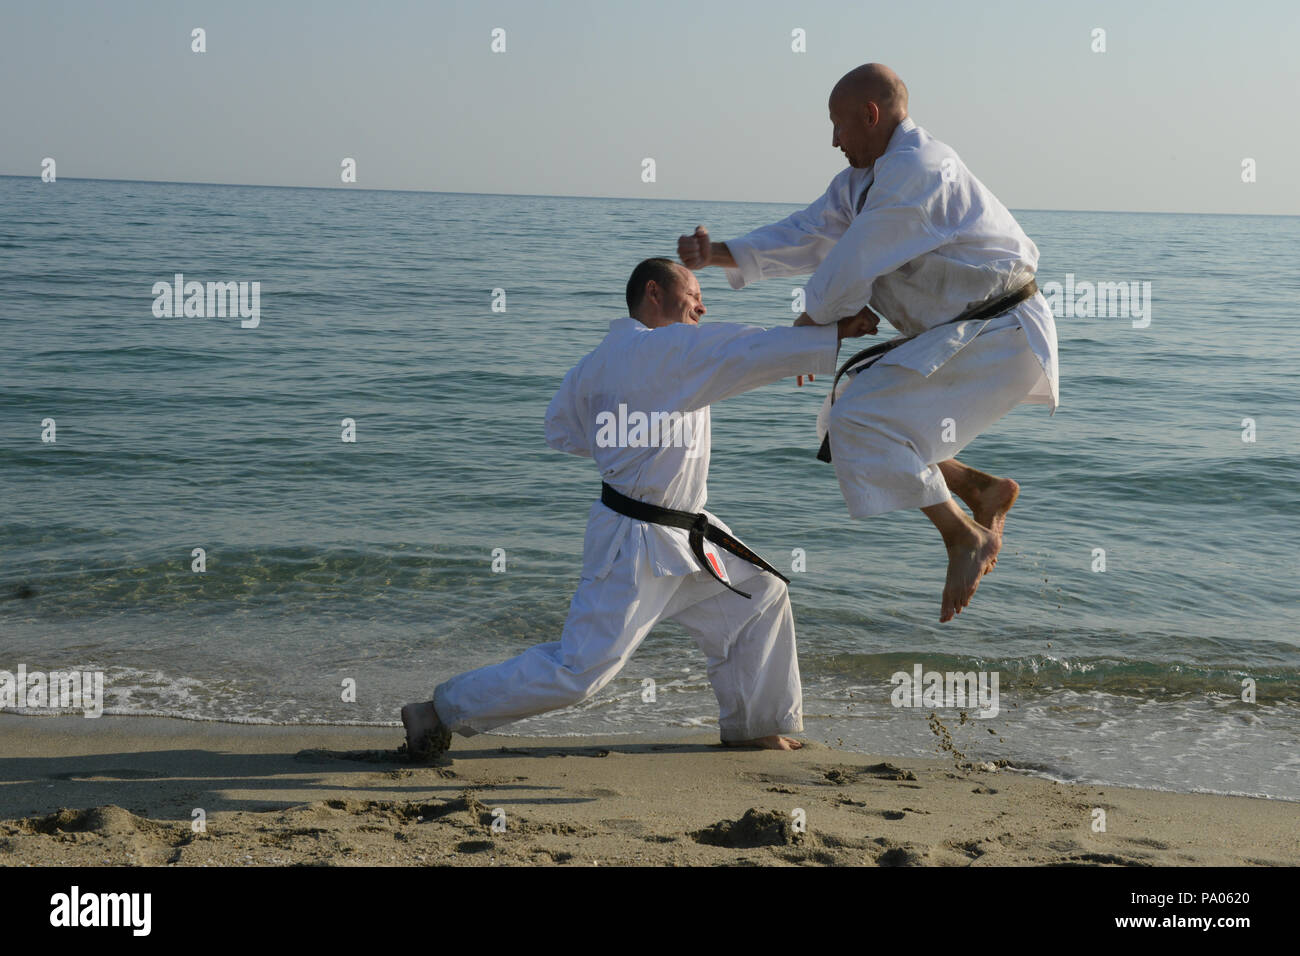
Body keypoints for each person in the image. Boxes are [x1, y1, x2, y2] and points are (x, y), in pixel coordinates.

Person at [401, 258, 877, 760]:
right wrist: (833, 333)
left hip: (682, 530)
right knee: (579, 672)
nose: (703, 305)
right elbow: (744, 348)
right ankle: (438, 710)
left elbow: (561, 430)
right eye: (693, 294)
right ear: (655, 293)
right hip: (635, 539)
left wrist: (625, 448)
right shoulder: (664, 349)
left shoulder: (601, 361)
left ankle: (752, 725)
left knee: (759, 593)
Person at [677, 63, 1060, 623]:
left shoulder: (921, 172)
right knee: (843, 412)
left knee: (858, 417)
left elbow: (854, 260)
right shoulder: (865, 180)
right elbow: (809, 233)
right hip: (964, 335)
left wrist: (809, 328)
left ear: (871, 115)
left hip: (1001, 335)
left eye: (838, 126)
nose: (834, 141)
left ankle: (964, 537)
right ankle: (981, 489)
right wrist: (721, 254)